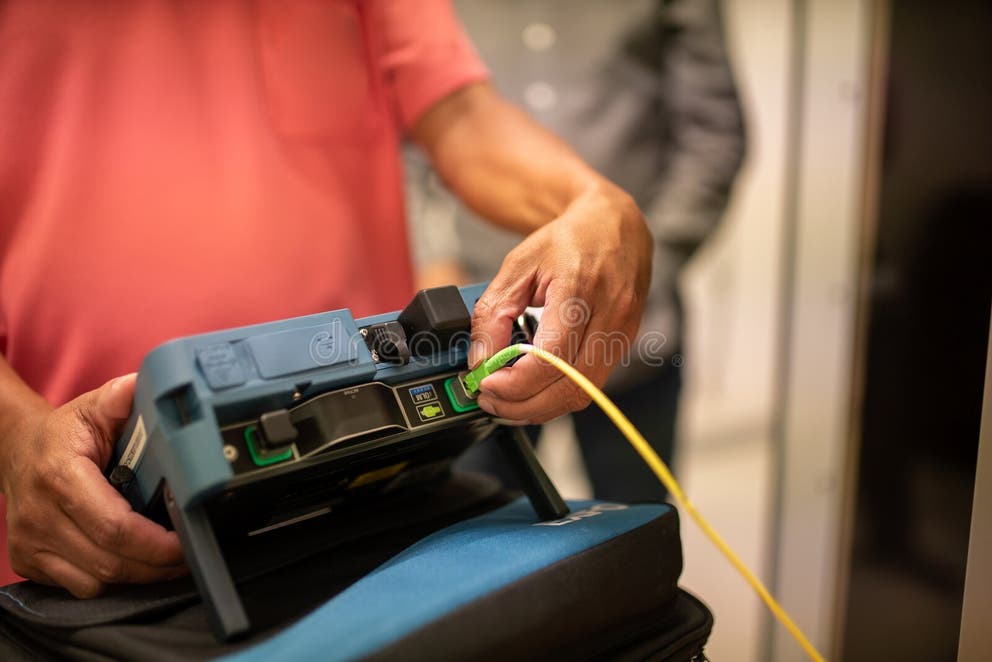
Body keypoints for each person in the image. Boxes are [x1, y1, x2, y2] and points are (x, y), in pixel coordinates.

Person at [0, 2, 652, 594]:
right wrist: (17, 437)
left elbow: (460, 114)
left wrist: (595, 205)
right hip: (90, 517)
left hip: (381, 494)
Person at [407, 0, 745, 501]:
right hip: (476, 331)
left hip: (634, 336)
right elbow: (413, 135)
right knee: (470, 531)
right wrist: (431, 259)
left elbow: (714, 136)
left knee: (633, 530)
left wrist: (635, 264)